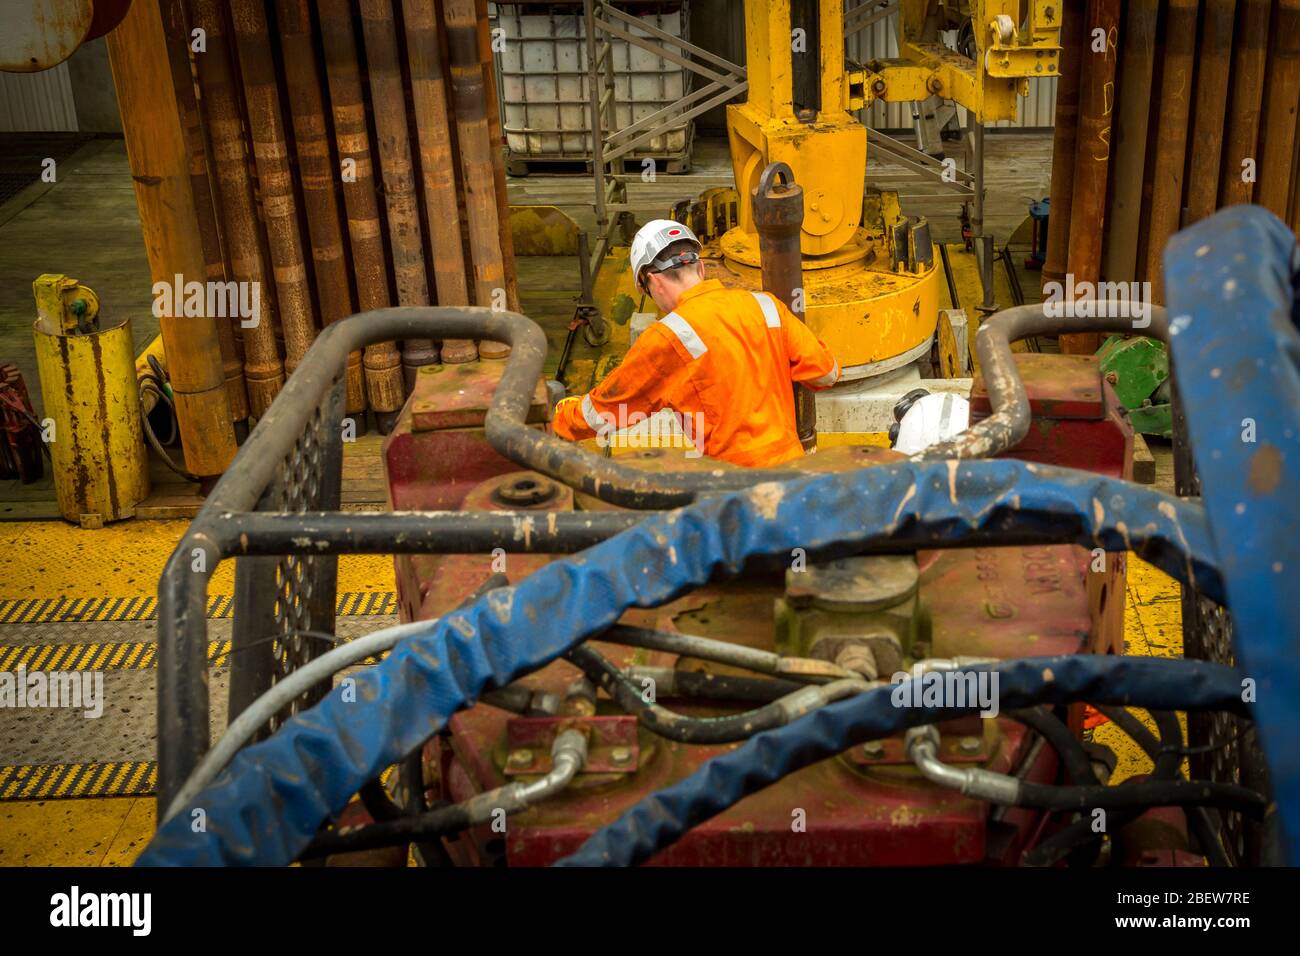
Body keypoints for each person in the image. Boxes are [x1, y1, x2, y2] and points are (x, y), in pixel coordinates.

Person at [552, 220, 841, 467]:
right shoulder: (765, 305)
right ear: (701, 269)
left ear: (653, 282)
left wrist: (559, 415)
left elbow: (606, 412)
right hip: (792, 470)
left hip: (732, 486)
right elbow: (825, 372)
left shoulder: (667, 337)